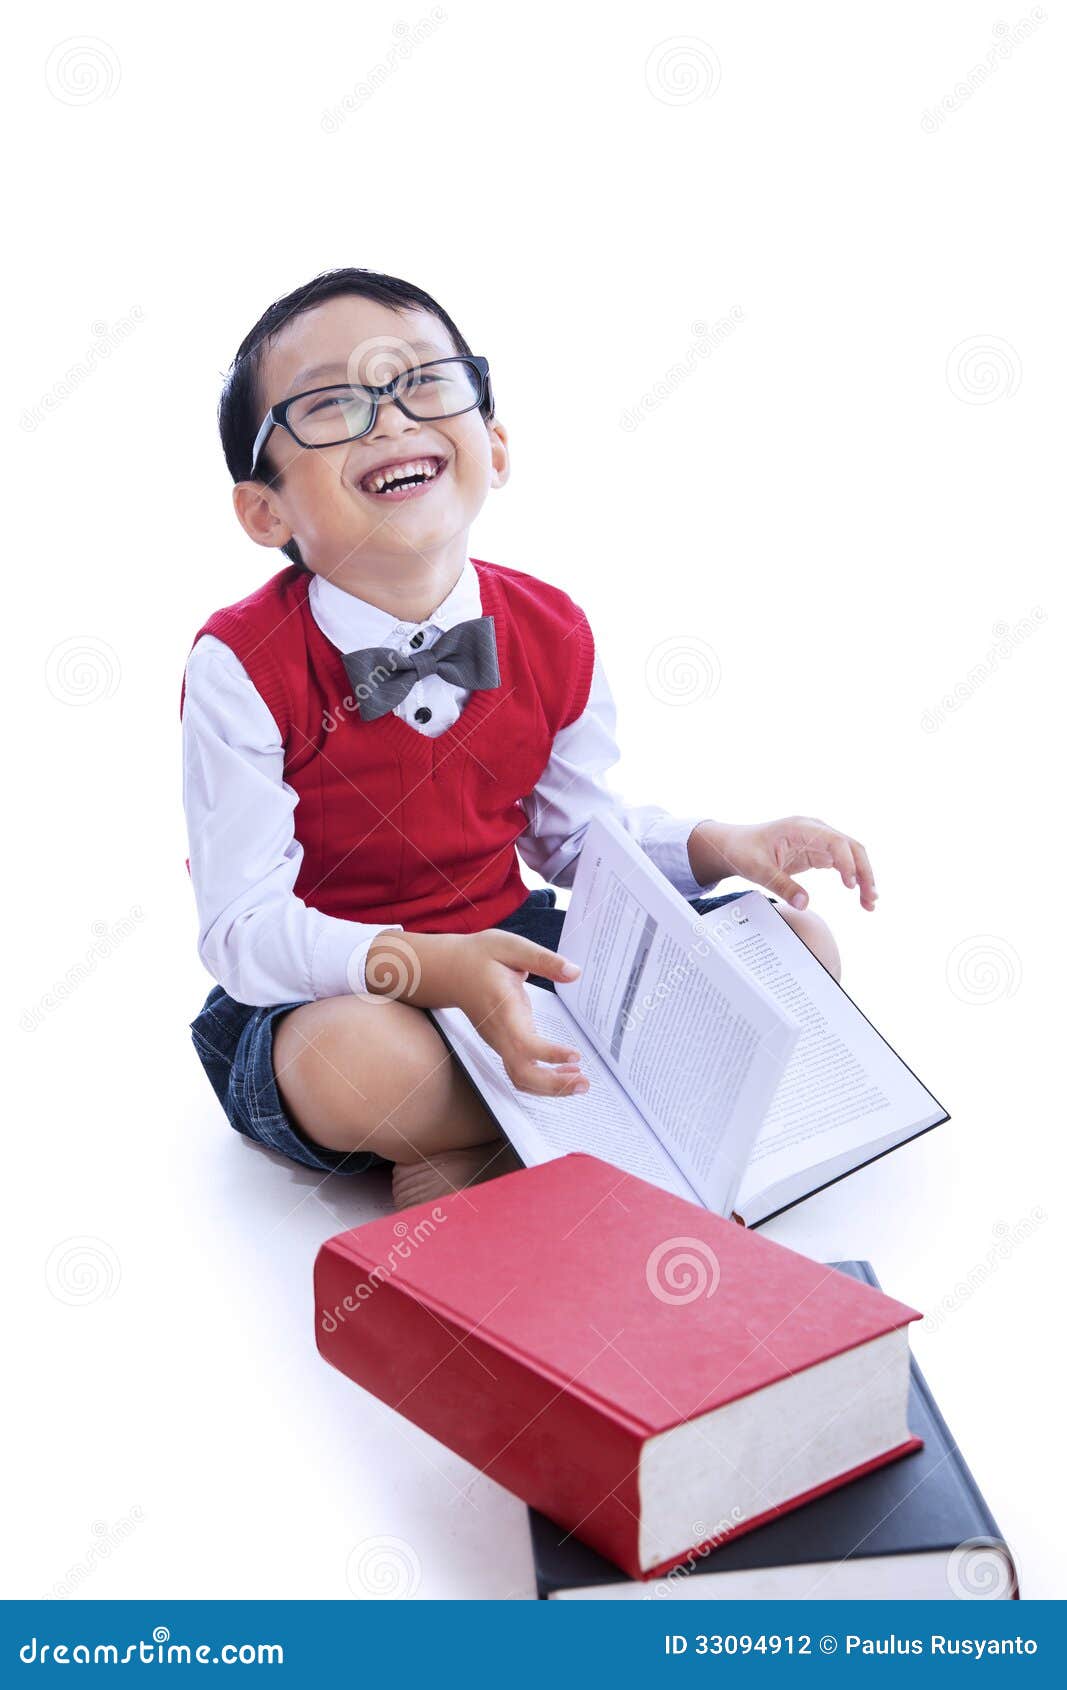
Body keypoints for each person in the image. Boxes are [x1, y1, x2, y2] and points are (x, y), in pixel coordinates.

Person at [182, 268, 876, 1209]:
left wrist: (716, 848)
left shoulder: (551, 628)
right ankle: (597, 1116)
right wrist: (430, 969)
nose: (389, 420)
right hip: (344, 986)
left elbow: (573, 843)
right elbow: (242, 931)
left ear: (495, 446)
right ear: (266, 512)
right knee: (355, 1064)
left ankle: (492, 1137)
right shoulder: (241, 664)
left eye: (421, 382)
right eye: (334, 405)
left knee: (794, 946)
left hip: (513, 946)